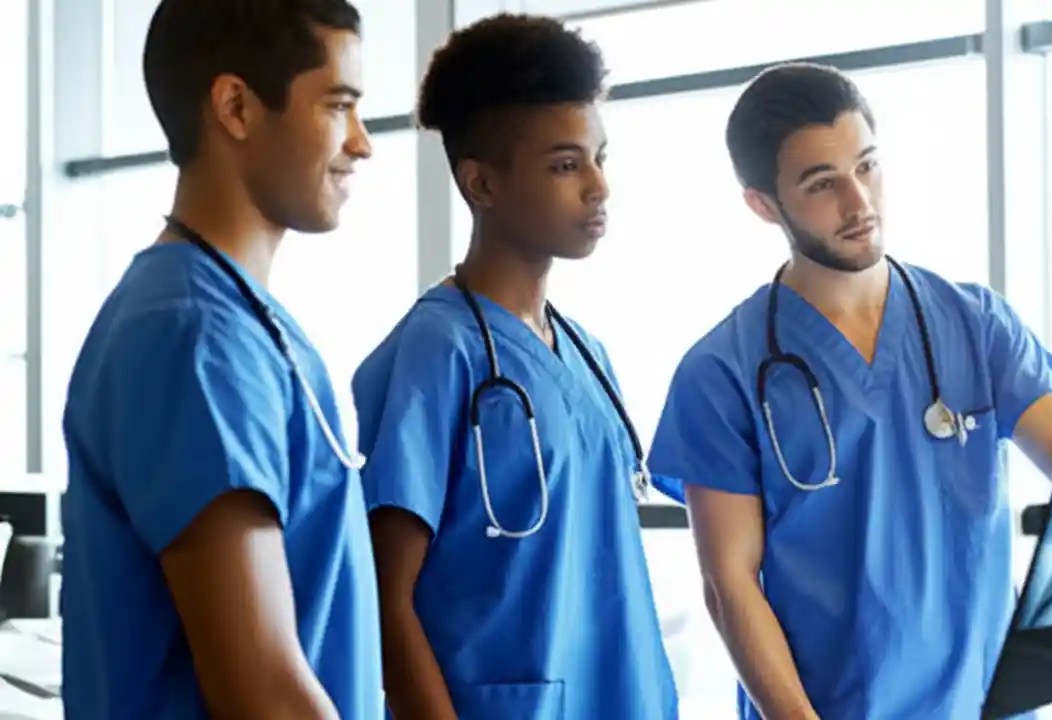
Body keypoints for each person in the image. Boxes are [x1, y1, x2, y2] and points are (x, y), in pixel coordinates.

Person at [646, 62, 1052, 720]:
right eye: (822, 184)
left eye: (867, 166)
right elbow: (729, 583)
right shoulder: (723, 372)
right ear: (764, 204)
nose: (859, 203)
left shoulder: (975, 324)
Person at [352, 13, 679, 720]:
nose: (598, 187)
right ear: (482, 184)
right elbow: (383, 595)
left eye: (599, 157)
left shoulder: (589, 353)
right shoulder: (437, 352)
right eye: (565, 164)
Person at [59, 1, 379, 717]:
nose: (362, 143)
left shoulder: (232, 320)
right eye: (339, 106)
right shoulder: (195, 335)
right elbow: (262, 691)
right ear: (235, 105)